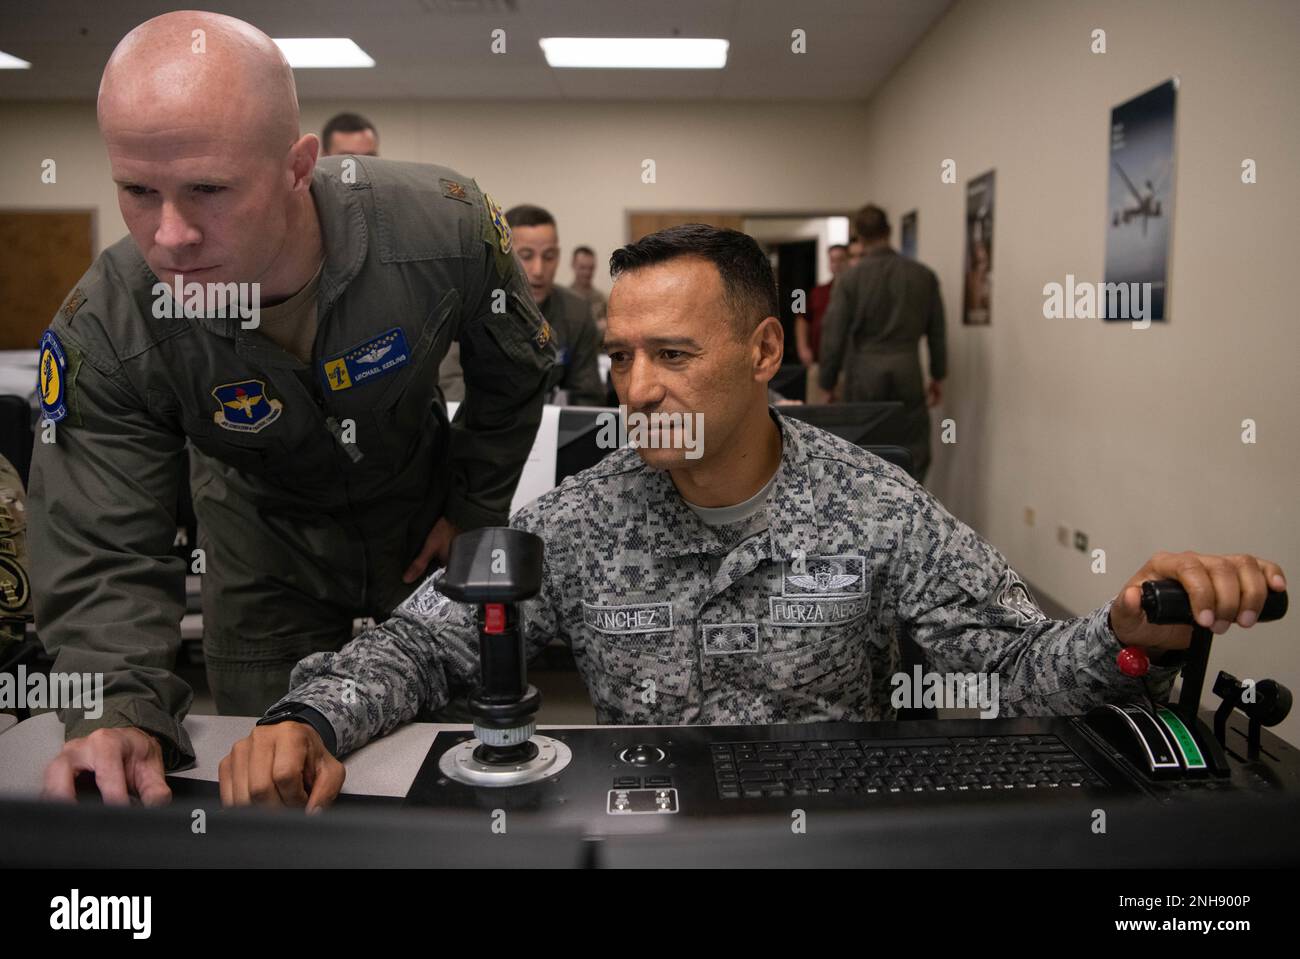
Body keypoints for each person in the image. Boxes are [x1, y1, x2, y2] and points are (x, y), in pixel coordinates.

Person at [217, 224, 1285, 811]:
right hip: (649, 832)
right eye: (620, 357)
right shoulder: (577, 519)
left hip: (838, 837)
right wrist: (307, 718)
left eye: (672, 355)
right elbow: (419, 640)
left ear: (765, 354)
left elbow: (1013, 667)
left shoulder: (873, 502)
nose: (635, 388)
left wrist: (1124, 629)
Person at [32, 11, 554, 803]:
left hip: (419, 527)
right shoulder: (110, 323)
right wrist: (114, 706)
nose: (170, 235)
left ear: (298, 165)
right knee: (267, 783)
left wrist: (473, 508)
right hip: (256, 548)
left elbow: (516, 373)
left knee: (445, 772)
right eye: (138, 191)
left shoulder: (442, 228)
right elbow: (102, 540)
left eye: (208, 189)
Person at [818, 205, 946, 482]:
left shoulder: (851, 279)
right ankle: (909, 512)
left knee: (861, 450)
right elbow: (937, 332)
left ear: (859, 237)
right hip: (908, 368)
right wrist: (938, 375)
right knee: (913, 450)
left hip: (864, 371)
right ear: (889, 231)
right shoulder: (922, 275)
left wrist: (827, 382)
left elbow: (834, 334)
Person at [441, 205, 603, 406]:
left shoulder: (576, 311)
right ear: (503, 253)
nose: (538, 270)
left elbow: (587, 396)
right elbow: (449, 385)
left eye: (549, 256)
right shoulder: (470, 306)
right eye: (526, 256)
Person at [794, 242, 849, 404]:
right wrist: (803, 348)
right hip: (819, 365)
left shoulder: (855, 292)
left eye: (841, 260)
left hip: (848, 370)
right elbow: (802, 318)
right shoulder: (817, 292)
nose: (836, 265)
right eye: (832, 260)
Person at [567, 245, 609, 334]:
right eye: (582, 267)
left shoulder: (601, 299)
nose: (587, 272)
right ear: (573, 265)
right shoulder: (564, 298)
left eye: (591, 268)